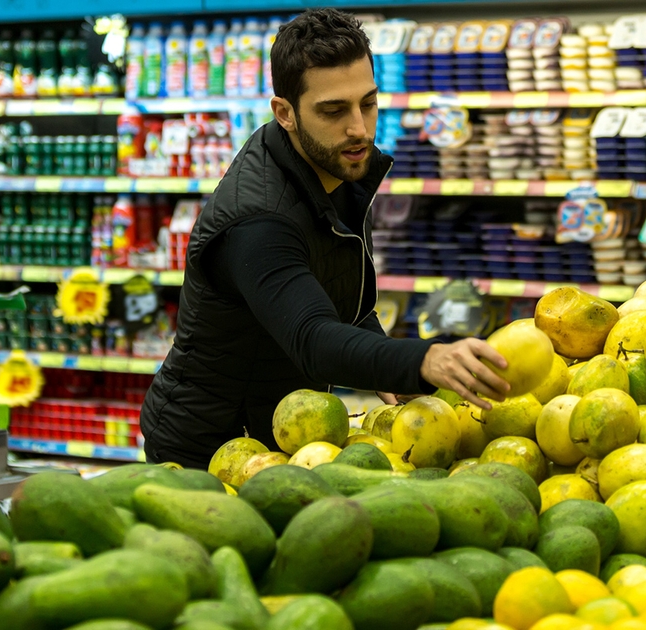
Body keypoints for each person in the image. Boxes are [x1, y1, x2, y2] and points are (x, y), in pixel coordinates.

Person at [139, 8, 511, 469]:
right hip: (211, 446)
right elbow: (313, 337)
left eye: (368, 103)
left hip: (286, 429)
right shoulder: (257, 220)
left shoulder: (338, 166)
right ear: (285, 113)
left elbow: (342, 299)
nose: (358, 128)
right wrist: (422, 359)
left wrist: (387, 363)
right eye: (333, 111)